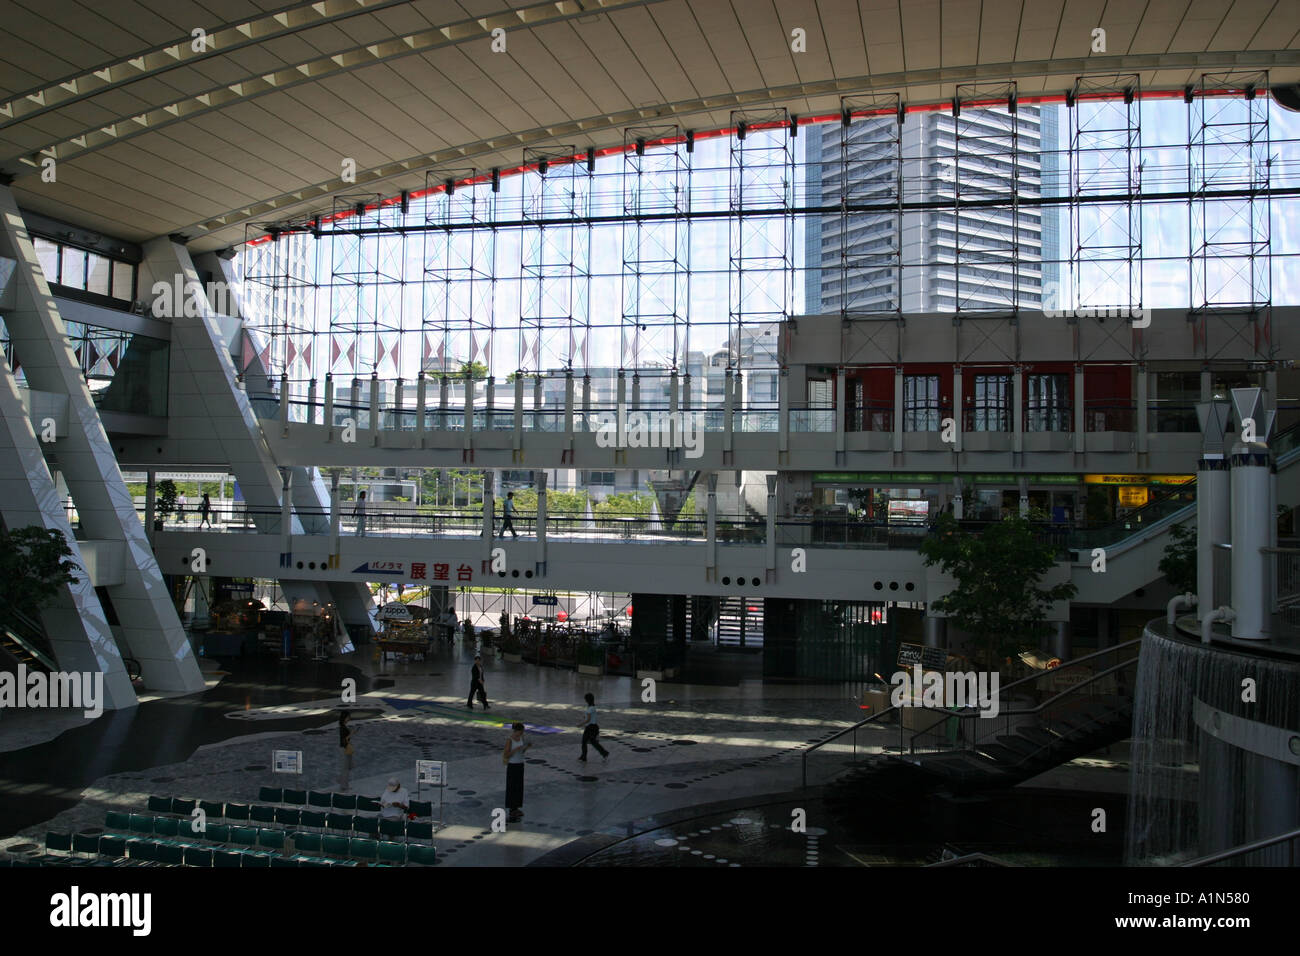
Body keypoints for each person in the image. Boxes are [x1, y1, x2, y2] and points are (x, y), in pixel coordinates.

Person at [502, 722, 530, 823]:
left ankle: (517, 806)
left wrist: (525, 748)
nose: (522, 733)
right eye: (521, 731)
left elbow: (521, 752)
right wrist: (516, 749)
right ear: (517, 731)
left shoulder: (521, 739)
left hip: (520, 764)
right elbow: (506, 754)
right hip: (512, 765)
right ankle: (511, 808)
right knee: (512, 786)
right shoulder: (510, 740)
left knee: (519, 786)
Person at [577, 692, 609, 762]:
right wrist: (585, 717)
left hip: (590, 728)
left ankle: (584, 757)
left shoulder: (590, 708)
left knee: (584, 742)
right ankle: (604, 753)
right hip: (594, 727)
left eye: (585, 699)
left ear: (587, 700)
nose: (585, 700)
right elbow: (589, 717)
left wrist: (580, 724)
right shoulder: (592, 707)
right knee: (593, 742)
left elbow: (588, 719)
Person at [337, 710, 355, 791]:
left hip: (345, 748)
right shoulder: (343, 728)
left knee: (347, 767)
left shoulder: (343, 726)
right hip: (345, 748)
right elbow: (344, 740)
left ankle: (343, 783)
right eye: (348, 717)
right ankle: (344, 785)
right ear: (344, 718)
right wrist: (351, 734)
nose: (349, 718)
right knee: (346, 768)